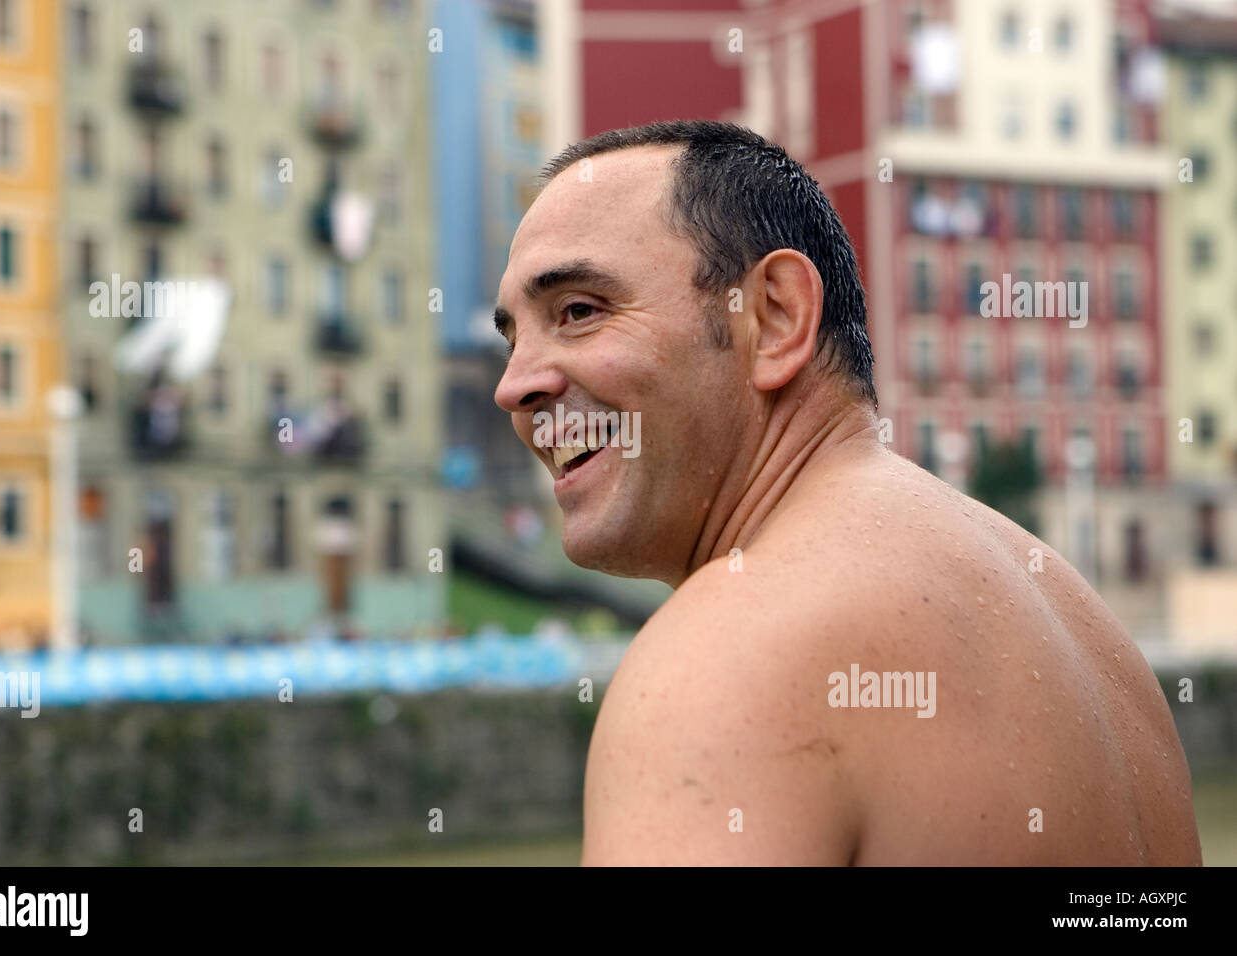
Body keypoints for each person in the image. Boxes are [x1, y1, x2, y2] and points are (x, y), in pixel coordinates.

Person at [492, 120, 1202, 865]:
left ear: (774, 317)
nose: (514, 387)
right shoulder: (1095, 642)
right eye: (513, 339)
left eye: (579, 311)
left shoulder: (726, 662)